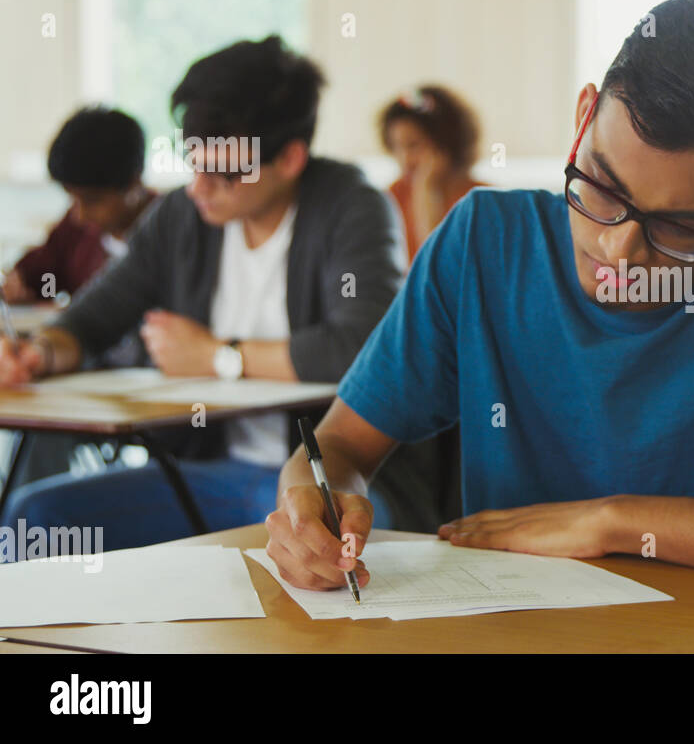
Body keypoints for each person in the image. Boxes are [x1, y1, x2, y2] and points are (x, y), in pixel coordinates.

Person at [262, 0, 694, 596]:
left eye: (677, 228)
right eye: (602, 187)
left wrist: (612, 522)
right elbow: (338, 448)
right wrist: (311, 503)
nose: (618, 249)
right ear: (584, 119)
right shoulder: (483, 244)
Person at [0, 36, 405, 550]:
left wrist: (219, 358)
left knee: (325, 530)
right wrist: (38, 353)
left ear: (290, 158)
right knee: (36, 517)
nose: (198, 187)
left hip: (322, 483)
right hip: (206, 474)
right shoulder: (181, 219)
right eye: (194, 163)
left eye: (223, 173)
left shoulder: (352, 207)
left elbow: (364, 347)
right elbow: (92, 319)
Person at [3, 107, 156, 304]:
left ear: (134, 184)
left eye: (92, 200)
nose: (79, 215)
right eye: (72, 198)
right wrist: (24, 286)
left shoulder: (171, 228)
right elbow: (47, 276)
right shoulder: (76, 231)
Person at [379, 85, 488, 264]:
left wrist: (427, 190)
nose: (404, 158)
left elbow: (441, 269)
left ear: (445, 145)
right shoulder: (393, 196)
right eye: (397, 147)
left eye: (413, 145)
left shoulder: (481, 200)